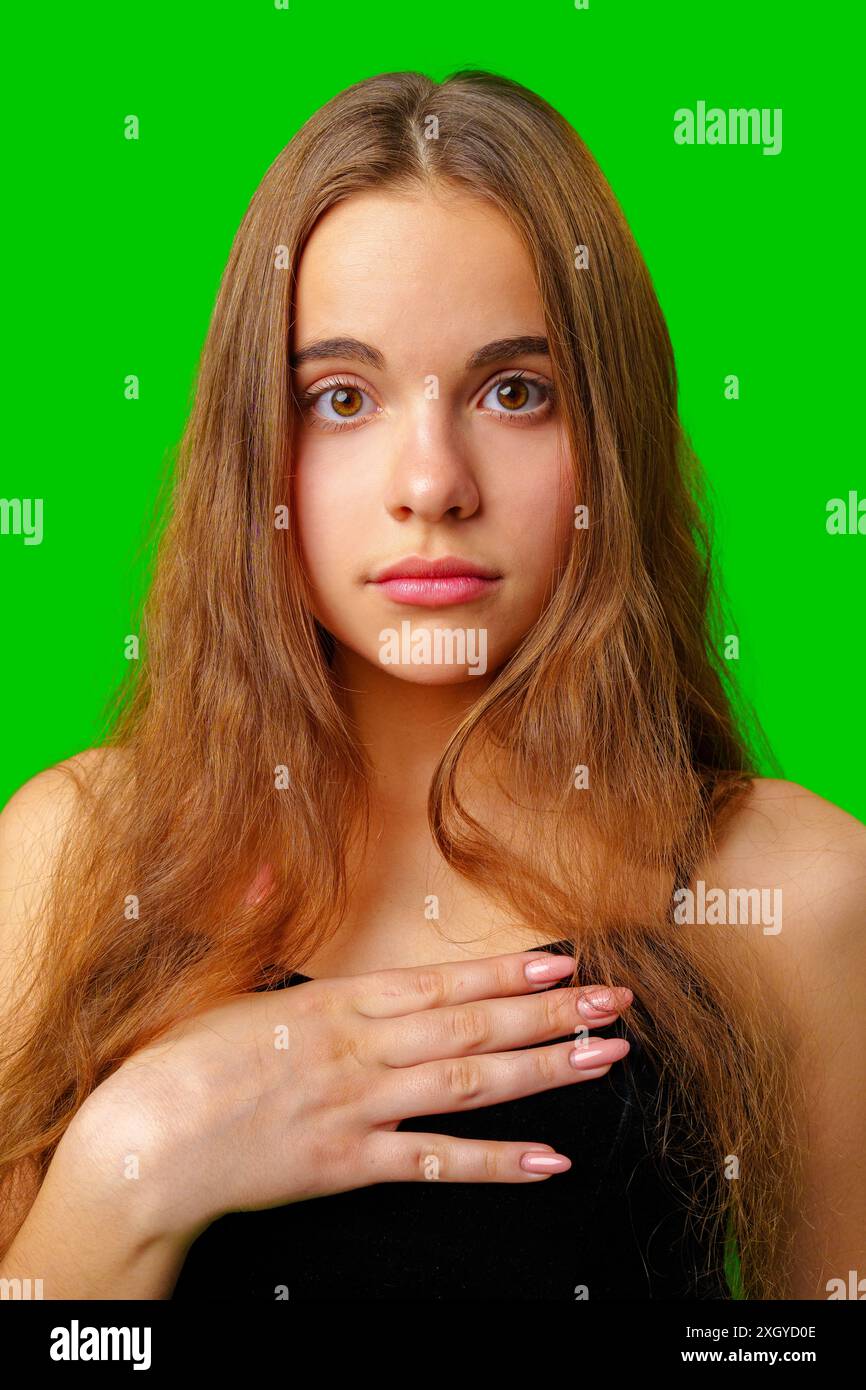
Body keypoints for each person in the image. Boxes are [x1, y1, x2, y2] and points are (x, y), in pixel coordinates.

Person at [0, 69, 863, 1302]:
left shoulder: (792, 896)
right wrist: (132, 1167)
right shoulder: (65, 861)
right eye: (339, 397)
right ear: (258, 445)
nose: (431, 481)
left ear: (605, 435)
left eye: (514, 390)